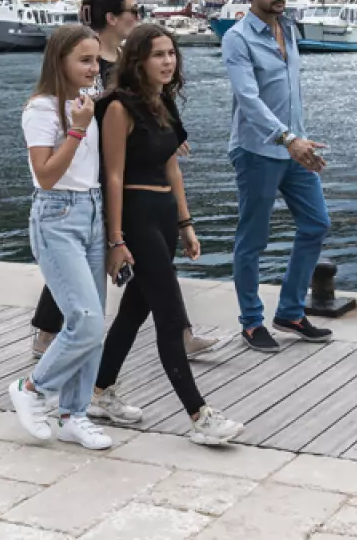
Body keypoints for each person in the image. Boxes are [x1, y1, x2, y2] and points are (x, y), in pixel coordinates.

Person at [29, 0, 227, 359]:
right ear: (112, 17)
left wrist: (159, 133)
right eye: (134, 11)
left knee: (136, 264)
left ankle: (176, 330)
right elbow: (88, 111)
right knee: (81, 262)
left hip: (119, 168)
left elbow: (143, 105)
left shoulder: (123, 58)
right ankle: (48, 330)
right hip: (97, 171)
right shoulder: (94, 65)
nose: (139, 16)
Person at [87, 25, 244, 445]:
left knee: (135, 311)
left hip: (162, 215)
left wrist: (185, 222)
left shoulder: (164, 103)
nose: (168, 61)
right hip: (136, 215)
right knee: (171, 316)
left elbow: (172, 166)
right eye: (158, 54)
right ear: (137, 60)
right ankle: (199, 416)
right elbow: (113, 174)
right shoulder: (120, 107)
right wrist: (115, 239)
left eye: (172, 53)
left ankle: (99, 393)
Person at [7, 25, 114, 450]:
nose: (93, 68)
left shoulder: (83, 103)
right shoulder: (42, 109)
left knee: (90, 323)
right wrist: (77, 129)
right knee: (85, 321)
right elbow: (47, 176)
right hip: (58, 215)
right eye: (84, 60)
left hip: (92, 212)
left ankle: (74, 414)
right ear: (60, 62)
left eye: (95, 60)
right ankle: (32, 389)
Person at [222, 0, 334, 353]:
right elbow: (248, 99)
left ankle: (289, 310)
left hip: (295, 147)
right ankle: (251, 322)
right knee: (252, 239)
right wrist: (287, 138)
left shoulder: (289, 28)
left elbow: (290, 94)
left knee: (317, 223)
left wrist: (298, 138)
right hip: (258, 150)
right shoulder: (237, 38)